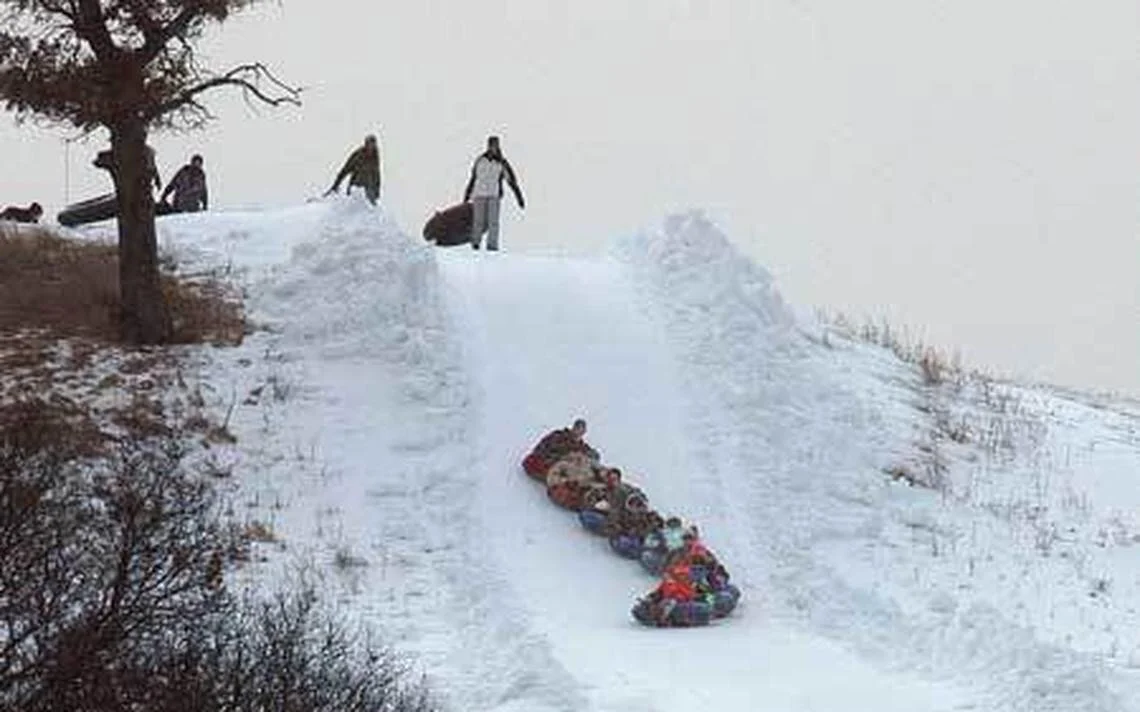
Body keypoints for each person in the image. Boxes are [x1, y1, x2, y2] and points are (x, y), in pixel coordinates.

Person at [462, 135, 524, 250]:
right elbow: (473, 178)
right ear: (488, 146)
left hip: (494, 194)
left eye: (495, 145)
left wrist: (519, 198)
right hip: (479, 193)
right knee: (478, 220)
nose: (493, 148)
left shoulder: (501, 162)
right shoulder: (480, 160)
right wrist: (466, 196)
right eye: (491, 145)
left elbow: (511, 181)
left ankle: (492, 246)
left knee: (493, 222)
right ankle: (476, 243)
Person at [327, 134, 381, 205]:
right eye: (369, 144)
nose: (371, 147)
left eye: (373, 144)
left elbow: (376, 175)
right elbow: (345, 170)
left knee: (370, 210)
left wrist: (377, 191)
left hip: (369, 189)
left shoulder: (375, 157)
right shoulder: (358, 155)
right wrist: (336, 185)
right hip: (356, 188)